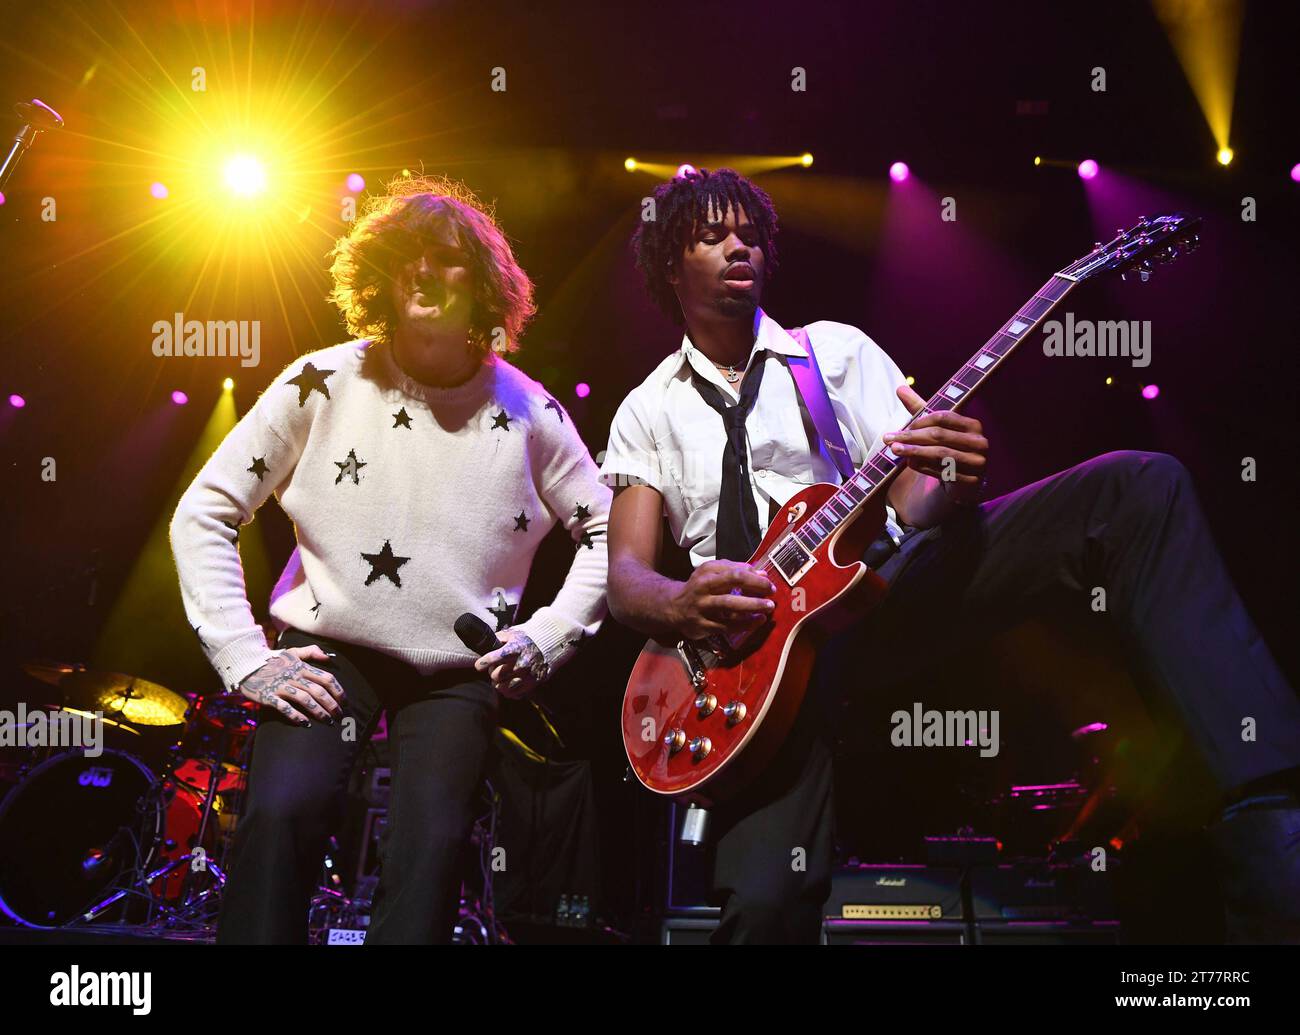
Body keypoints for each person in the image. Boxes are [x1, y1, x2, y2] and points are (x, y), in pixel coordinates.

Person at [599, 167, 1300, 944]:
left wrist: (951, 476)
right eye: (712, 234)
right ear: (671, 262)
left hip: (882, 599)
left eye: (751, 233)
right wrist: (681, 599)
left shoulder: (831, 353)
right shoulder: (647, 406)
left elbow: (910, 505)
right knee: (765, 907)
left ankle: (1272, 810)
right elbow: (627, 580)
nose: (740, 246)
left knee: (1137, 488)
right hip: (755, 672)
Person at [169, 175, 611, 943]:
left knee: (433, 847)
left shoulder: (533, 410)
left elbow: (612, 537)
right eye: (406, 257)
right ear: (379, 274)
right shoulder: (323, 381)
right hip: (327, 648)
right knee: (277, 816)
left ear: (484, 284)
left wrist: (548, 635)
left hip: (456, 668)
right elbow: (204, 509)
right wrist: (243, 656)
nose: (424, 273)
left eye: (447, 259)